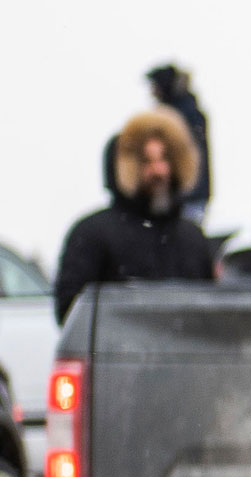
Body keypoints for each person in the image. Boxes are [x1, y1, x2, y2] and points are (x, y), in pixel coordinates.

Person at [55, 106, 215, 324]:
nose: (159, 171)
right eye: (147, 162)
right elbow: (70, 312)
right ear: (126, 166)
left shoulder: (192, 238)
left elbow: (210, 313)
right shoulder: (92, 234)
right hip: (117, 356)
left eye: (165, 159)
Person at [145, 63, 212, 223]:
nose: (152, 92)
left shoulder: (179, 117)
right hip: (185, 195)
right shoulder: (184, 113)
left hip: (186, 196)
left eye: (154, 86)